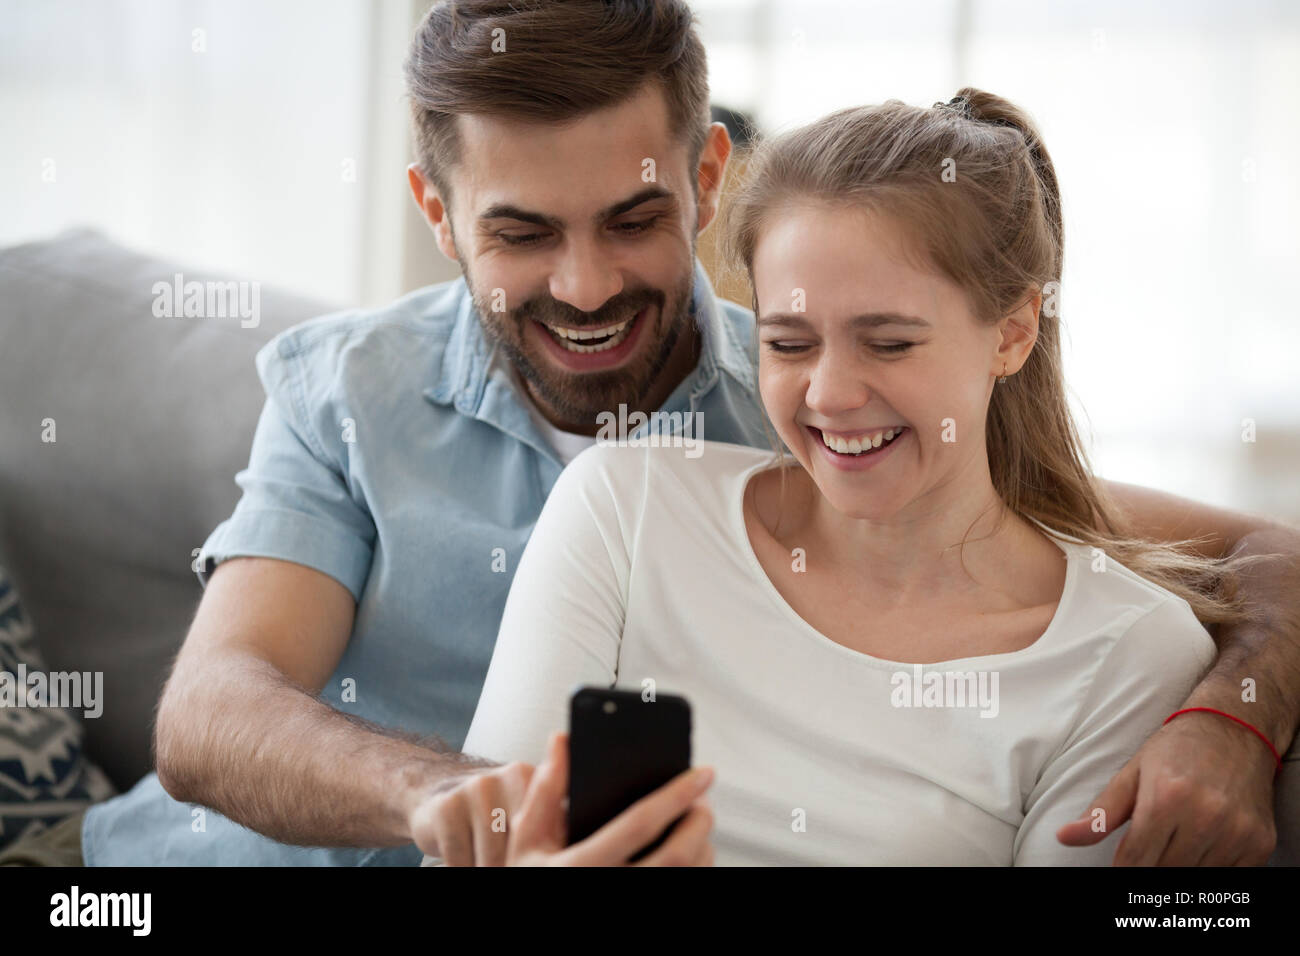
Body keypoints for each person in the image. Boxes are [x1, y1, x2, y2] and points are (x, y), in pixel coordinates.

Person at [13, 0, 1293, 869]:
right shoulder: (350, 387)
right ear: (438, 212)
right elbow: (210, 714)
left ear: (706, 180)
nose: (582, 285)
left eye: (631, 219)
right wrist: (437, 793)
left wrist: (1231, 720)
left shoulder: (823, 418)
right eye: (521, 231)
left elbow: (1261, 558)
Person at [423, 89, 1292, 866]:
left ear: (1013, 333)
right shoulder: (623, 507)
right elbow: (486, 848)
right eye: (789, 343)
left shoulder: (1125, 653)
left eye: (889, 342)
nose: (829, 394)